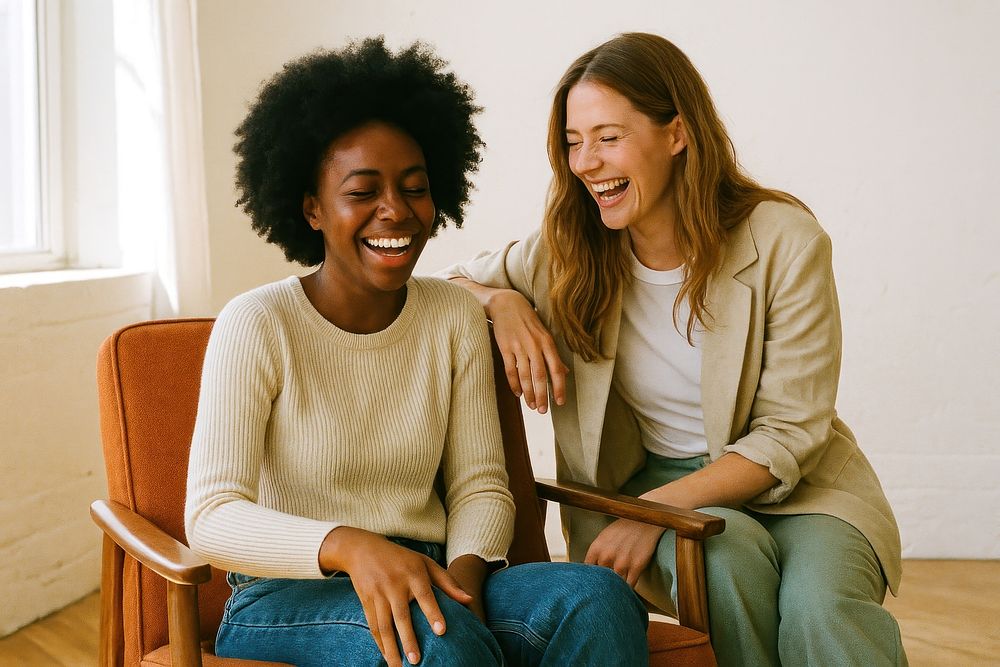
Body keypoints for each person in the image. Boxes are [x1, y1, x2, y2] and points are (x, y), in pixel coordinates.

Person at [442, 32, 907, 666]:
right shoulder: (566, 249)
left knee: (822, 612)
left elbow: (792, 433)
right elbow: (442, 289)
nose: (586, 163)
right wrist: (503, 302)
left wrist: (651, 514)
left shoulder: (785, 241)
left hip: (802, 486)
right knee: (726, 562)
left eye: (608, 137)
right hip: (650, 475)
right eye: (574, 144)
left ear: (677, 134)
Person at [184, 37, 650, 667]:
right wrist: (351, 546)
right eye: (362, 191)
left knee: (597, 599)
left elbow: (480, 485)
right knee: (435, 641)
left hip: (432, 572)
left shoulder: (453, 314)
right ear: (312, 208)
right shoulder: (258, 323)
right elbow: (212, 516)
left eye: (413, 187)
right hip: (287, 598)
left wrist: (463, 583)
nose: (395, 212)